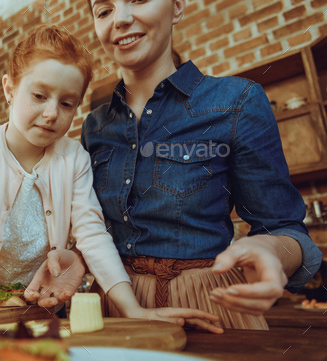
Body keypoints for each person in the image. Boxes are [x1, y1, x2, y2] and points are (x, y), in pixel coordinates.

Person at [0, 24, 222, 332]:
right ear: (9, 89)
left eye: (67, 103)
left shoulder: (73, 158)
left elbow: (92, 233)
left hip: (49, 312)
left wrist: (131, 308)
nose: (50, 114)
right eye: (39, 95)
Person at [27, 0, 322, 330]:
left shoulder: (237, 102)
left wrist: (269, 249)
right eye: (104, 10)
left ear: (177, 8)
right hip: (117, 312)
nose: (120, 20)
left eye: (138, 0)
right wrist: (79, 257)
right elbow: (100, 228)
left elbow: (285, 230)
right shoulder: (95, 127)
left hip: (210, 307)